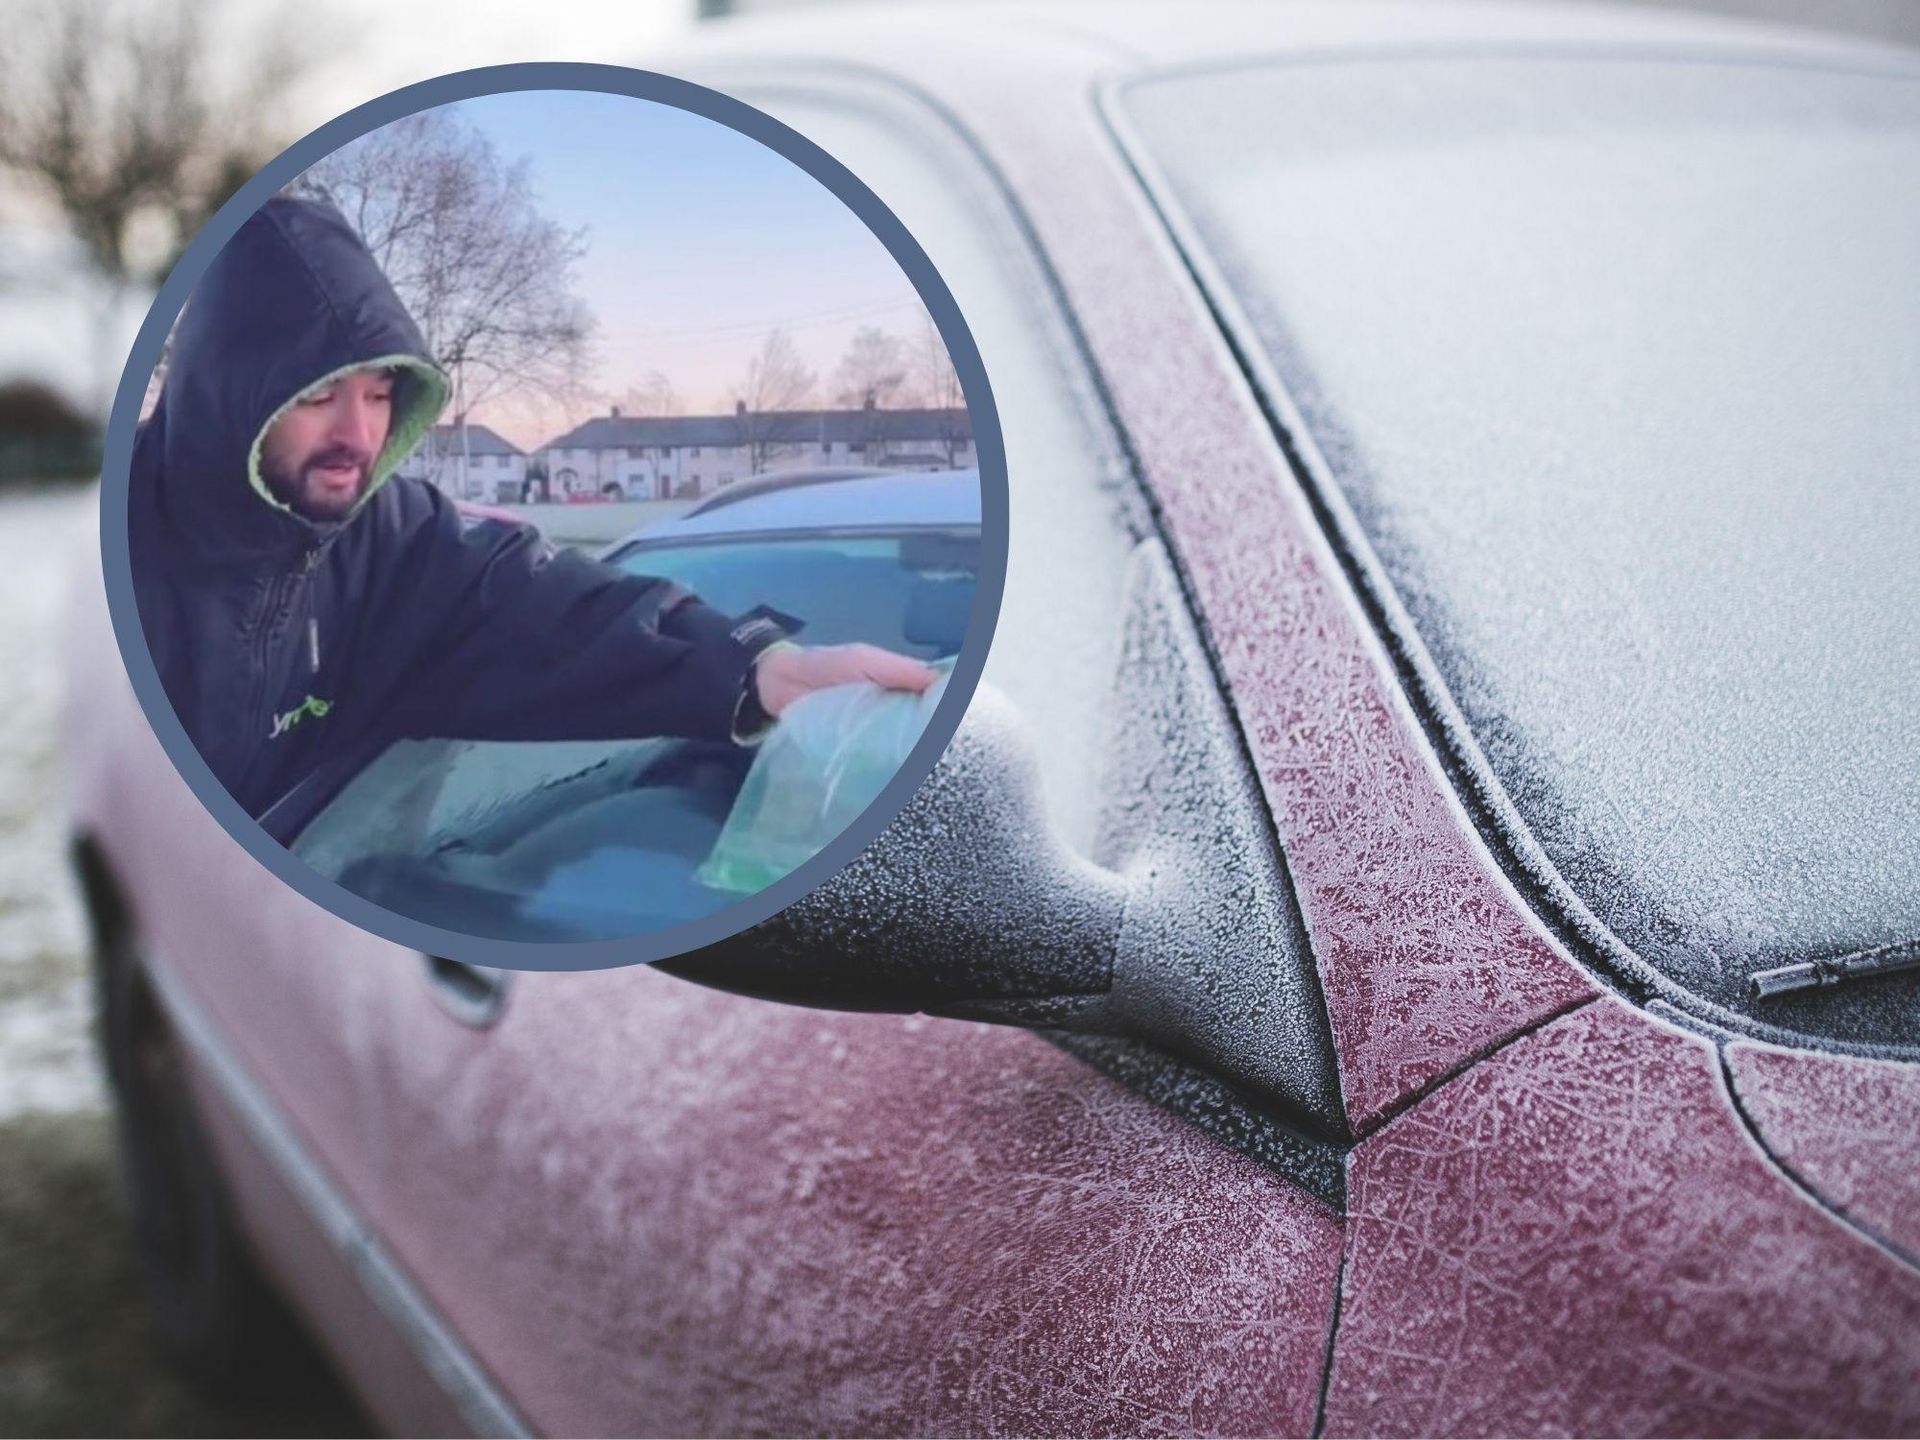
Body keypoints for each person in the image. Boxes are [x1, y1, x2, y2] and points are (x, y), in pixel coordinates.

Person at [129, 196, 935, 821]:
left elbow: (549, 614)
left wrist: (758, 669)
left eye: (379, 395)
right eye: (317, 396)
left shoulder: (391, 542)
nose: (358, 434)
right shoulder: (117, 547)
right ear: (230, 394)